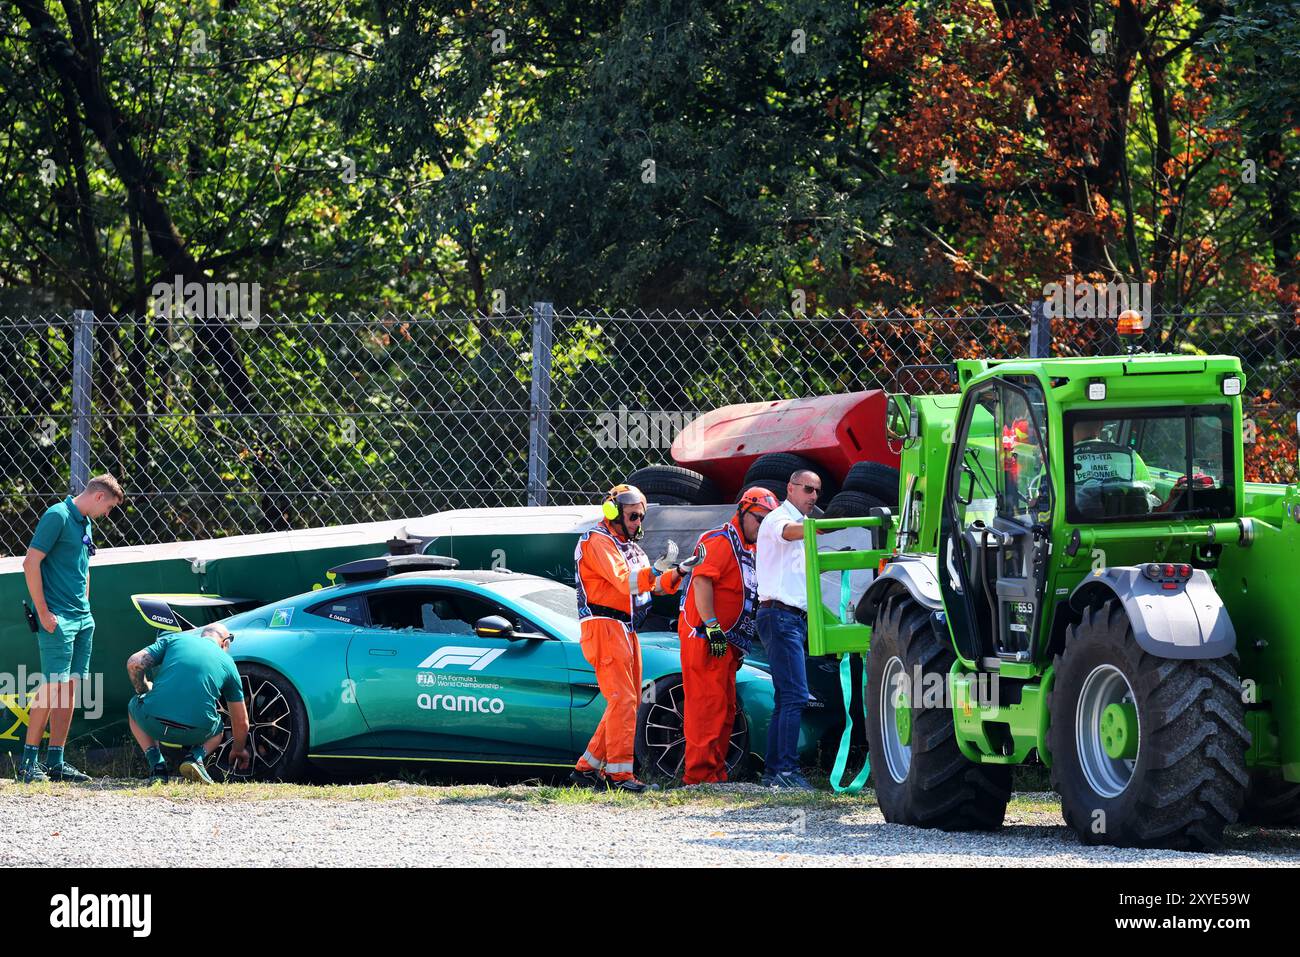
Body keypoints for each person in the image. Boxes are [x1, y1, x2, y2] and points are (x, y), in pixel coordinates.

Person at [571, 484, 694, 792]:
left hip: (626, 628)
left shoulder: (629, 546)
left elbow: (655, 586)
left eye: (641, 517)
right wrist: (656, 569)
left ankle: (587, 769)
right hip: (604, 625)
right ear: (614, 513)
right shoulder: (598, 541)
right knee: (623, 699)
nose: (639, 523)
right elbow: (626, 583)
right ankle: (620, 775)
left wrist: (678, 571)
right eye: (633, 516)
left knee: (627, 701)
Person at [19, 474, 124, 783]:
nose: (107, 515)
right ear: (99, 497)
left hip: (82, 619)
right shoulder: (57, 515)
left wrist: (86, 609)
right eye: (109, 508)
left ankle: (56, 762)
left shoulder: (84, 522)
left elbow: (84, 568)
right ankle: (27, 763)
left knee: (69, 689)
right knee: (52, 686)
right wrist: (44, 613)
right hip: (57, 619)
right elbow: (30, 563)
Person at [677, 486, 778, 785]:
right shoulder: (719, 541)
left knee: (724, 708)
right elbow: (701, 584)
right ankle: (698, 777)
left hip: (726, 642)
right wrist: (712, 626)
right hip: (706, 638)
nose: (762, 528)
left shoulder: (749, 548)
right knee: (706, 708)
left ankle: (715, 774)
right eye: (759, 520)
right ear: (743, 512)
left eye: (768, 523)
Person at [754, 469, 825, 790]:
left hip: (788, 618)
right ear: (791, 488)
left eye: (817, 492)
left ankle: (775, 771)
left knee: (787, 697)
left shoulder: (798, 523)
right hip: (780, 616)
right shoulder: (777, 519)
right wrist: (820, 526)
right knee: (795, 695)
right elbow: (788, 532)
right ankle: (785, 770)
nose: (813, 496)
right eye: (808, 489)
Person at [125, 623, 251, 785]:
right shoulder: (228, 664)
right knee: (218, 729)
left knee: (134, 705)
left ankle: (157, 766)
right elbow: (241, 723)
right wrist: (238, 749)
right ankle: (195, 758)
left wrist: (143, 689)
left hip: (153, 723)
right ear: (225, 643)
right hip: (196, 733)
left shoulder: (176, 640)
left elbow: (134, 663)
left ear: (203, 636)